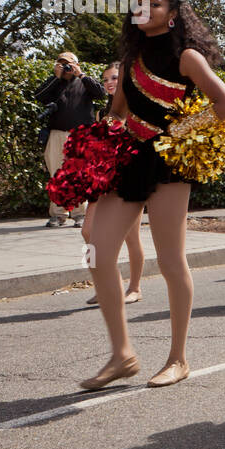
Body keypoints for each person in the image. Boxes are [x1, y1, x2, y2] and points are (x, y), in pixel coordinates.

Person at [79, 0, 225, 391]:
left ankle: (178, 358)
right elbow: (118, 112)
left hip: (169, 166)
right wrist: (94, 147)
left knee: (170, 261)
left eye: (152, 3)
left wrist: (175, 134)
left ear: (172, 14)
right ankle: (121, 353)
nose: (142, 8)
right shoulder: (131, 60)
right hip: (130, 163)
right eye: (136, 2)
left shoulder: (187, 57)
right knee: (97, 250)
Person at [82, 62, 143, 306]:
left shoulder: (135, 110)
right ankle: (106, 283)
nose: (109, 82)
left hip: (128, 180)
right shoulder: (101, 114)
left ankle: (135, 287)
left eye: (114, 78)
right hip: (102, 180)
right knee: (87, 232)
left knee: (131, 237)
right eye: (106, 78)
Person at [35, 51, 106, 227]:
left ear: (76, 64)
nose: (65, 67)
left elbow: (101, 93)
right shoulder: (54, 84)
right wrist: (55, 78)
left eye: (68, 64)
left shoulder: (84, 82)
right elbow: (39, 96)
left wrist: (80, 74)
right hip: (57, 133)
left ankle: (80, 214)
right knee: (56, 174)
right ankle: (59, 214)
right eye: (61, 63)